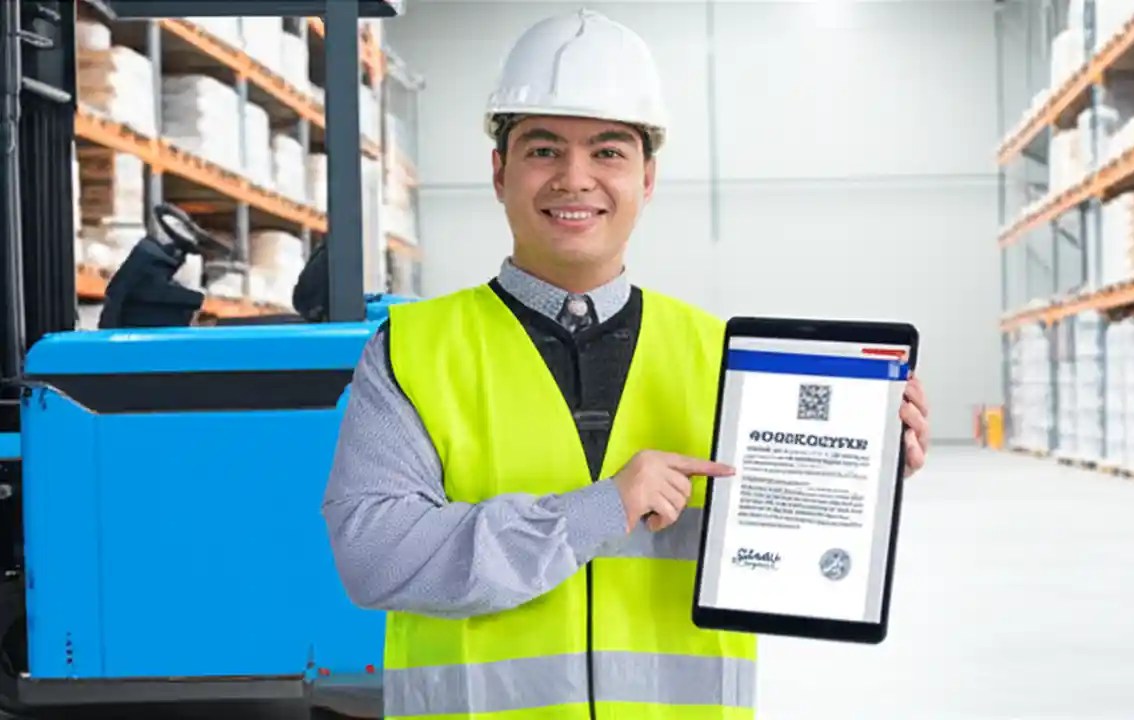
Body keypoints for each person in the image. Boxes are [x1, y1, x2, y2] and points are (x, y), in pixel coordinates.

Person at [322, 9, 931, 719]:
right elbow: (377, 558)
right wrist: (600, 510)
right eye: (543, 150)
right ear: (499, 172)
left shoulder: (724, 358)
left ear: (648, 177)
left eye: (608, 152)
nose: (574, 179)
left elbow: (782, 555)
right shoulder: (412, 351)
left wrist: (857, 474)